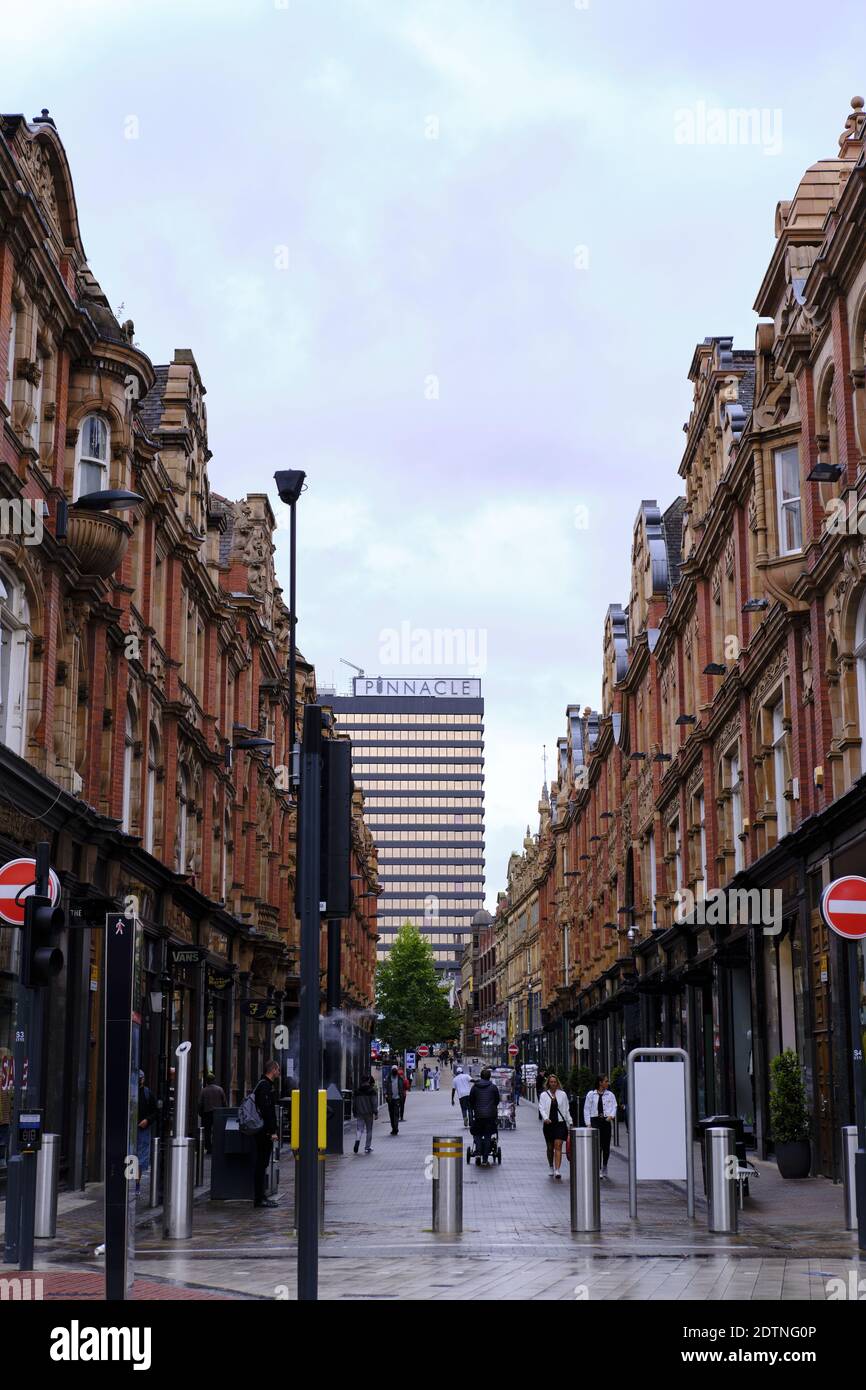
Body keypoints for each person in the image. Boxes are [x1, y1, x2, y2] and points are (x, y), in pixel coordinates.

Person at [252, 1059, 280, 1208]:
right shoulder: (265, 1087)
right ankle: (259, 1198)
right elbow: (267, 1111)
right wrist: (272, 1131)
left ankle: (261, 1196)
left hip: (263, 1130)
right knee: (261, 1163)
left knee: (262, 1164)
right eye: (278, 1069)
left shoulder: (265, 1085)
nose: (279, 1072)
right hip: (263, 1131)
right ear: (272, 1070)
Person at [538, 1073, 572, 1179]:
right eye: (551, 1082)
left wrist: (570, 1122)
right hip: (549, 1124)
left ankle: (557, 1170)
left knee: (558, 1145)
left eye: (555, 1082)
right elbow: (541, 1108)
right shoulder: (544, 1095)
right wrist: (545, 1118)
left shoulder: (562, 1094)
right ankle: (551, 1166)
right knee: (550, 1147)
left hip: (560, 1123)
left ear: (557, 1083)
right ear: (548, 1083)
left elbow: (566, 1109)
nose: (553, 1084)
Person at [584, 1074, 617, 1179]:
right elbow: (586, 1109)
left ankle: (605, 1166)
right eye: (606, 1081)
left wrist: (611, 1116)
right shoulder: (591, 1094)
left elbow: (614, 1106)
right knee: (597, 1146)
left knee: (606, 1146)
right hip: (595, 1121)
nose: (608, 1083)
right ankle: (597, 1168)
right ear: (600, 1082)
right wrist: (588, 1123)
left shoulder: (610, 1095)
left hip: (606, 1121)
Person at [468, 1068, 500, 1165]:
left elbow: (471, 1100)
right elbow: (497, 1100)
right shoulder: (493, 1087)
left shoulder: (475, 1087)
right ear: (489, 1077)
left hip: (478, 1115)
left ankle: (478, 1151)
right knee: (487, 1136)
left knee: (477, 1134)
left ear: (481, 1076)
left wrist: (475, 1108)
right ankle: (485, 1159)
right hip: (490, 1116)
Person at [136, 1071, 158, 1195]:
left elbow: (155, 1111)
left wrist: (147, 1120)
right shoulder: (129, 1091)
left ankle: (136, 1185)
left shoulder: (147, 1093)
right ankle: (130, 1184)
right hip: (131, 1129)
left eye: (140, 1078)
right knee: (130, 1156)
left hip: (143, 1129)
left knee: (140, 1158)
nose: (139, 1080)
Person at [198, 1073, 226, 1154]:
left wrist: (200, 1112)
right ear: (214, 1080)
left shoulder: (204, 1090)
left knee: (207, 1131)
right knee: (217, 1130)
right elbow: (224, 1102)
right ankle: (217, 1146)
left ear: (207, 1081)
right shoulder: (220, 1089)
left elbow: (200, 1103)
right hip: (218, 1113)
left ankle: (209, 1148)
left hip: (207, 1113)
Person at [353, 1073, 378, 1154]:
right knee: (369, 1130)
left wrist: (354, 1111)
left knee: (359, 1129)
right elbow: (374, 1103)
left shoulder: (357, 1091)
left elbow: (354, 1103)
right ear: (368, 1081)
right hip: (369, 1113)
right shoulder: (371, 1091)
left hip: (359, 1113)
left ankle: (357, 1141)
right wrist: (375, 1112)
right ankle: (367, 1147)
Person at [383, 1065, 402, 1134]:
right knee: (391, 1114)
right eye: (393, 1069)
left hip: (397, 1099)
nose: (394, 1070)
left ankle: (396, 1128)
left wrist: (401, 1096)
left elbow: (402, 1087)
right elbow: (385, 1087)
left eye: (395, 1069)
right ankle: (393, 1128)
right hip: (390, 1099)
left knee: (396, 1114)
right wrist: (385, 1094)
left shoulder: (400, 1078)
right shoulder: (388, 1078)